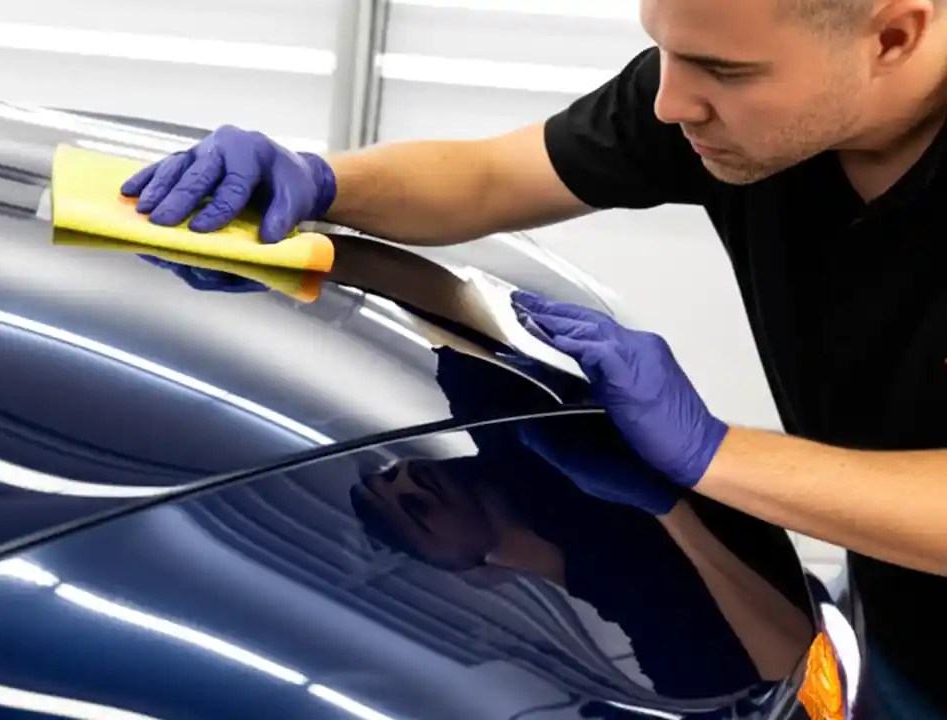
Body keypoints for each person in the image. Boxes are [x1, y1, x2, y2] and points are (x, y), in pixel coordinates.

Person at [121, 0, 947, 712]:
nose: (668, 102)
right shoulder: (726, 93)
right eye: (663, 46)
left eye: (722, 71)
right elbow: (487, 176)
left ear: (895, 36)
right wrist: (318, 180)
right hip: (888, 632)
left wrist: (716, 454)